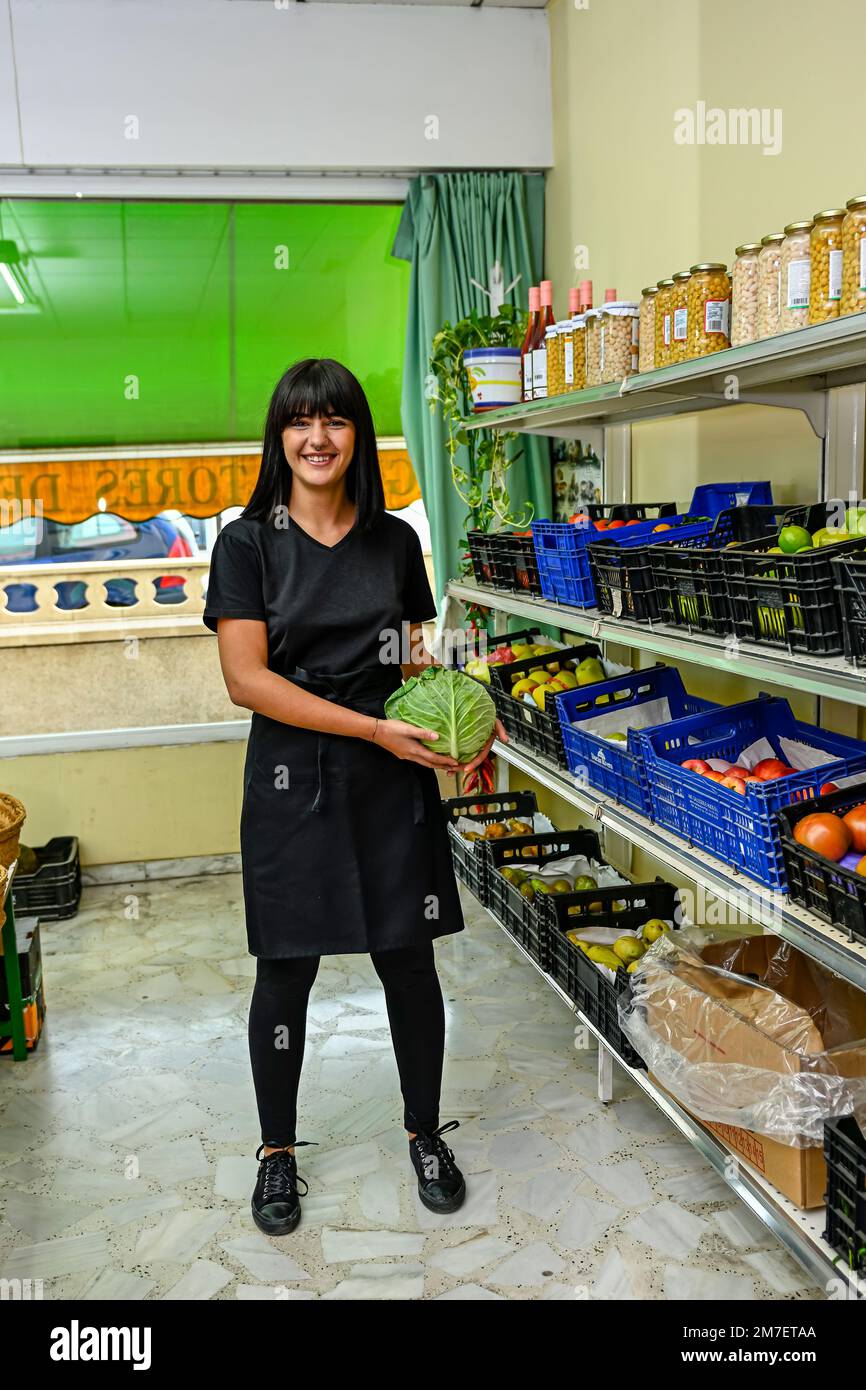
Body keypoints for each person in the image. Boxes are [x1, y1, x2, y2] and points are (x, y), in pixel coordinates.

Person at [203, 358, 505, 1236]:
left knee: (408, 962)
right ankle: (277, 1154)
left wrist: (458, 728)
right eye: (300, 421)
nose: (317, 437)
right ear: (280, 437)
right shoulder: (246, 544)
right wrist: (372, 728)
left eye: (335, 420)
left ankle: (424, 1133)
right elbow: (246, 681)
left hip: (391, 784)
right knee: (285, 970)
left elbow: (413, 661)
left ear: (356, 437)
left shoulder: (394, 541)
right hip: (293, 783)